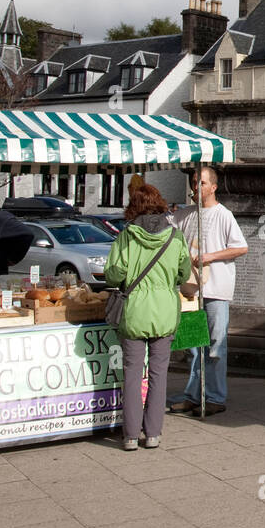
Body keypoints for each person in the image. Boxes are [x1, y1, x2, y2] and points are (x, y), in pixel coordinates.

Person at [105, 184, 190, 451]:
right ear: (160, 203)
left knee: (131, 373)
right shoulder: (176, 237)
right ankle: (153, 432)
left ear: (133, 206)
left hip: (134, 312)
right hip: (165, 311)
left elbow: (114, 275)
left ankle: (130, 435)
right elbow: (184, 273)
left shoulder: (126, 237)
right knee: (158, 373)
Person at [168, 167, 247, 418]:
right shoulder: (185, 215)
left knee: (214, 346)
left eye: (201, 183)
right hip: (191, 289)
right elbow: (169, 235)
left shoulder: (224, 215)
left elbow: (240, 247)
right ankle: (193, 394)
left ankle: (214, 396)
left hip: (216, 289)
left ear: (213, 187)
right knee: (192, 345)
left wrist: (210, 256)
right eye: (194, 182)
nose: (196, 187)